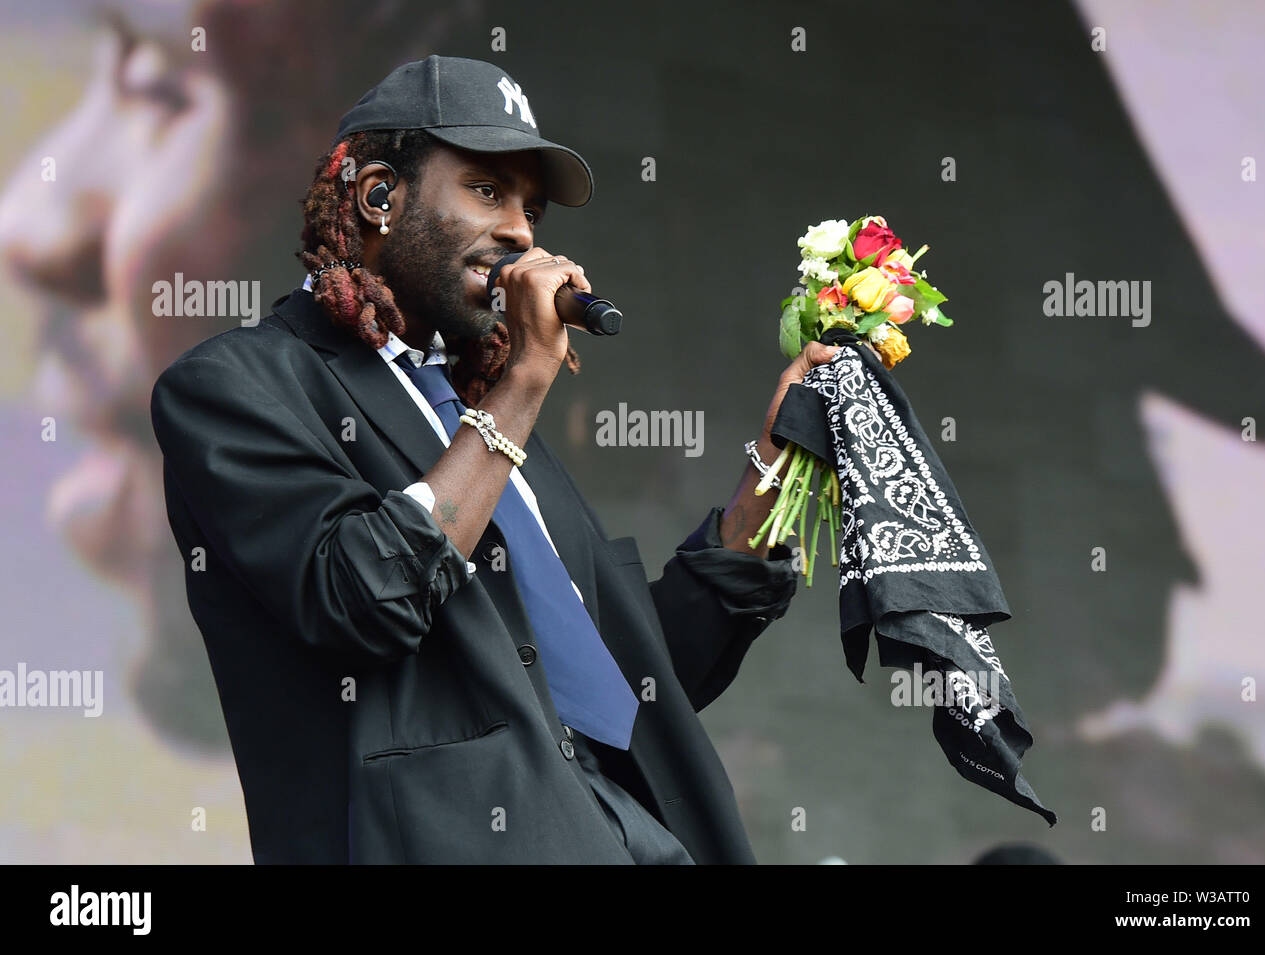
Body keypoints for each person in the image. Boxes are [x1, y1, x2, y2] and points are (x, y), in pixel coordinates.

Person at [149, 54, 850, 864]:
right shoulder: (240, 386)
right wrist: (518, 388)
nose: (521, 230)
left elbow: (625, 689)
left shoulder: (474, 414)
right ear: (380, 197)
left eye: (532, 209)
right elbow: (360, 598)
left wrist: (772, 469)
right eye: (487, 190)